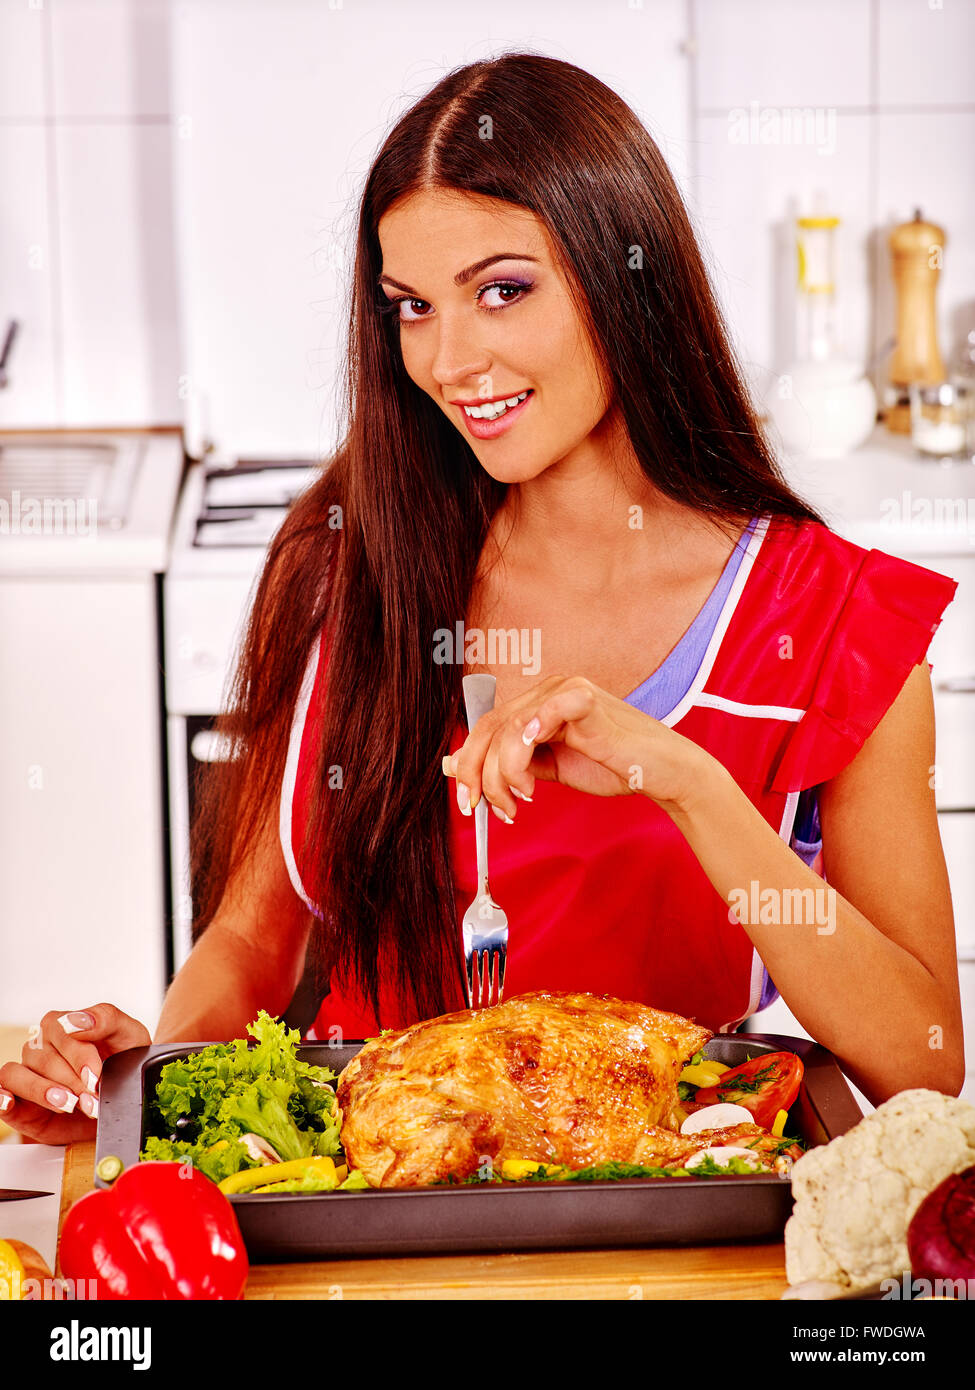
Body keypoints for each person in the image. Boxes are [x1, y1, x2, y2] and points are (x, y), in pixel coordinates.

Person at [0, 52, 963, 1147]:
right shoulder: (340, 565)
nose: (452, 360)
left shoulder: (833, 613)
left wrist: (684, 779)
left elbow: (925, 1059)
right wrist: (150, 1088)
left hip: (670, 1219)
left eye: (503, 290)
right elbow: (250, 944)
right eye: (412, 307)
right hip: (372, 1209)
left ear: (623, 276)